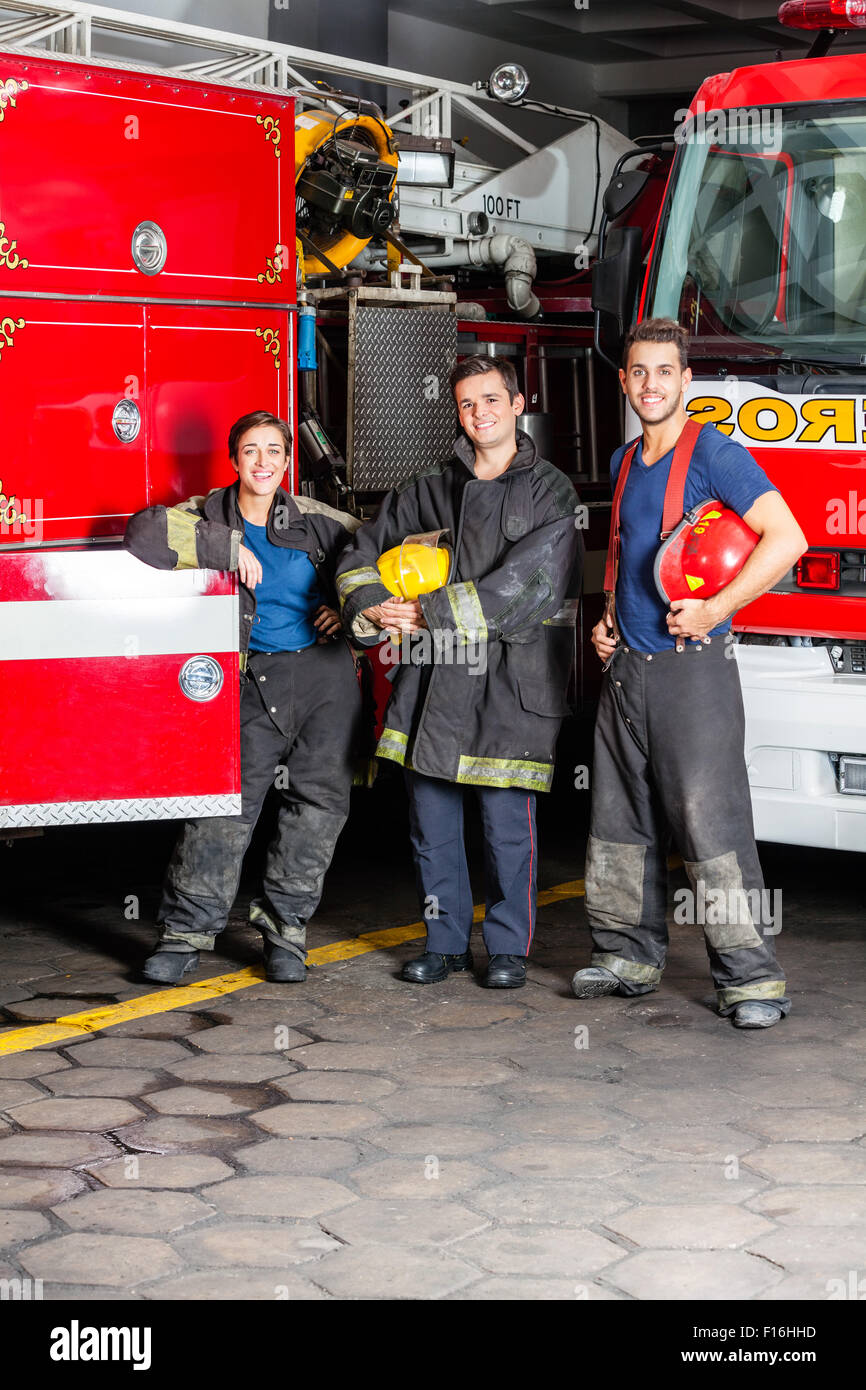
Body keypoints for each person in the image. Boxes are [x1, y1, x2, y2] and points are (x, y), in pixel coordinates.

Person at [572, 318, 807, 1028]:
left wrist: (717, 608)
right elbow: (632, 546)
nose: (651, 384)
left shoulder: (715, 453)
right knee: (619, 820)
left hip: (692, 671)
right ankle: (626, 956)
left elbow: (788, 537)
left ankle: (751, 980)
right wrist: (608, 616)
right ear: (625, 381)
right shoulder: (623, 461)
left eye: (664, 372)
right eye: (638, 372)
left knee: (710, 823)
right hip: (628, 671)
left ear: (685, 381)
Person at [336, 354, 583, 989]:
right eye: (468, 404)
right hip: (435, 686)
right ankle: (444, 944)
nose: (479, 414)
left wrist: (426, 614)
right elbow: (361, 548)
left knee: (506, 831)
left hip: (509, 684)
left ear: (518, 404)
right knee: (432, 826)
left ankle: (507, 951)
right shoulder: (427, 487)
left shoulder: (551, 490)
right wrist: (371, 604)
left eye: (491, 401)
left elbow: (530, 584)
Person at [124, 409, 363, 985]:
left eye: (274, 451)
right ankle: (185, 936)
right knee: (223, 810)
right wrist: (225, 548)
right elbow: (142, 533)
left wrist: (348, 607)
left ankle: (286, 931)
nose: (262, 462)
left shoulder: (319, 520)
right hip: (249, 683)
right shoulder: (207, 513)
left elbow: (372, 560)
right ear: (234, 460)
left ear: (287, 461)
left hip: (323, 681)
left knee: (318, 808)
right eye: (250, 451)